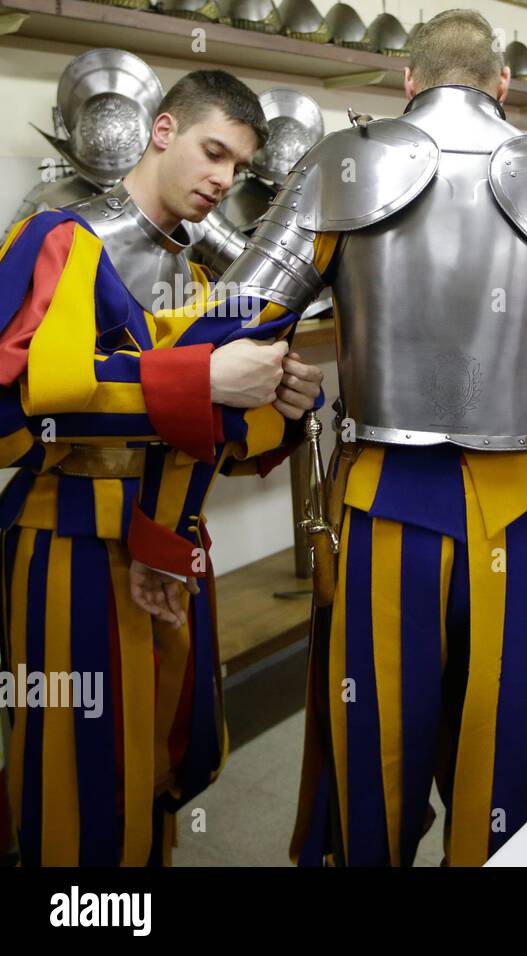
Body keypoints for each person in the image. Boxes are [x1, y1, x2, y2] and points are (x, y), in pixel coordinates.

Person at [211, 8, 527, 867]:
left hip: (378, 512)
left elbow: (227, 330)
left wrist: (193, 488)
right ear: (505, 85)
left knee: (373, 755)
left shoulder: (341, 164)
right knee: (510, 774)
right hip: (516, 520)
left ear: (406, 82)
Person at [0, 69, 323, 866]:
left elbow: (209, 436)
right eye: (214, 152)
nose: (223, 179)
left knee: (156, 754)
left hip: (170, 543)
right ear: (164, 130)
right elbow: (11, 404)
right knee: (77, 768)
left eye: (241, 168)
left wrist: (279, 403)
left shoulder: (210, 280)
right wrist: (195, 381)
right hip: (67, 541)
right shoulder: (57, 240)